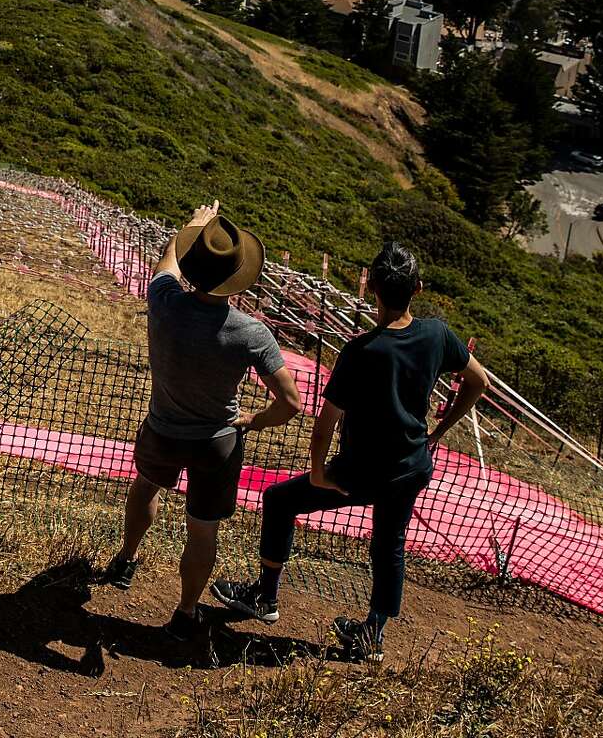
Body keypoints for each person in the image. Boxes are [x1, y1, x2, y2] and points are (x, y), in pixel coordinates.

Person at [213, 242, 488, 663]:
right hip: (411, 466)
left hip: (360, 469)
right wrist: (438, 432)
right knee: (389, 544)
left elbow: (325, 424)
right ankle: (371, 634)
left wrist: (320, 471)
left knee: (279, 500)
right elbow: (477, 382)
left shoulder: (361, 350)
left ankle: (265, 597)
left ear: (372, 289)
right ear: (417, 288)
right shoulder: (438, 335)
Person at [99, 201, 303, 641]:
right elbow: (291, 402)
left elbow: (165, 265)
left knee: (145, 488)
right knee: (202, 530)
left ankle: (126, 559)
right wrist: (254, 420)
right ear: (239, 275)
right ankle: (186, 611)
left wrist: (192, 225)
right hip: (218, 440)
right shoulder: (251, 332)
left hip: (163, 428)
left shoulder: (164, 302)